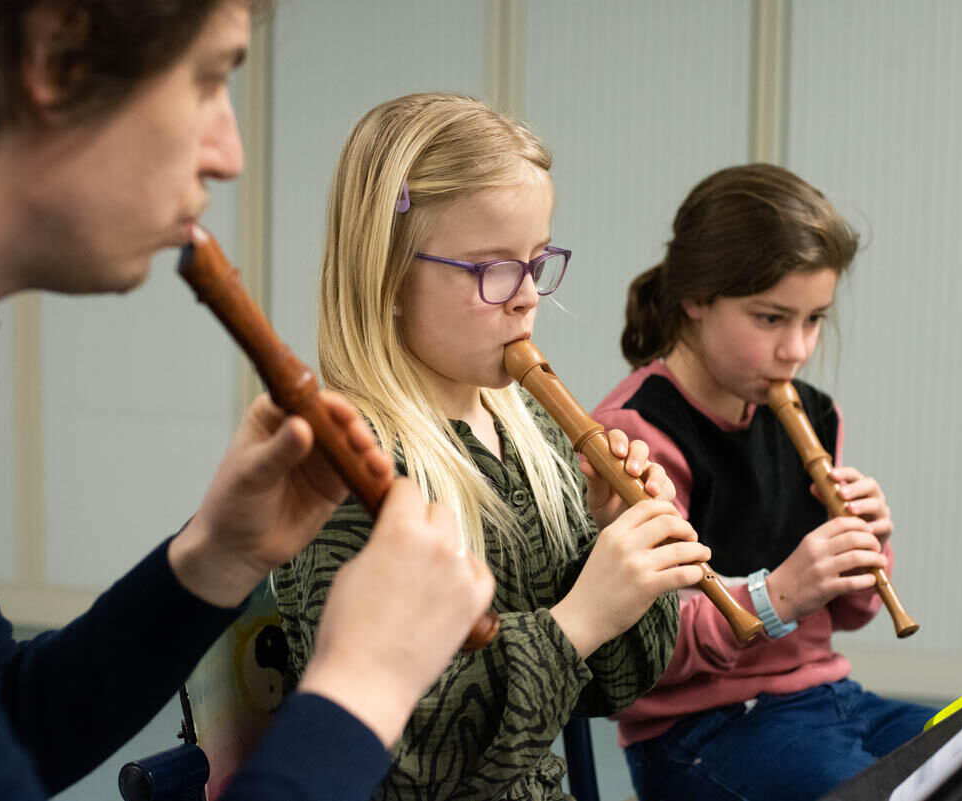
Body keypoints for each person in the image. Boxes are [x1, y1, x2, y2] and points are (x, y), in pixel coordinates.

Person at [0, 3, 494, 800]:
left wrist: (215, 561)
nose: (229, 153)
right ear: (57, 56)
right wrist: (362, 690)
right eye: (211, 78)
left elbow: (4, 726)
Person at [272, 92, 713, 801]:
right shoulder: (349, 469)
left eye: (537, 261)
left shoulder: (527, 427)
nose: (527, 297)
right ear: (387, 275)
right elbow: (403, 763)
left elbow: (614, 686)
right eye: (490, 269)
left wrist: (616, 546)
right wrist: (577, 622)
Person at [592, 164, 934, 801]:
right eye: (772, 319)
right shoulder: (636, 433)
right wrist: (776, 595)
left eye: (814, 320)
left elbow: (851, 615)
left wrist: (866, 548)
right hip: (698, 729)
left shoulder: (813, 412)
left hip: (825, 696)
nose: (796, 350)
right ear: (695, 298)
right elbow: (642, 652)